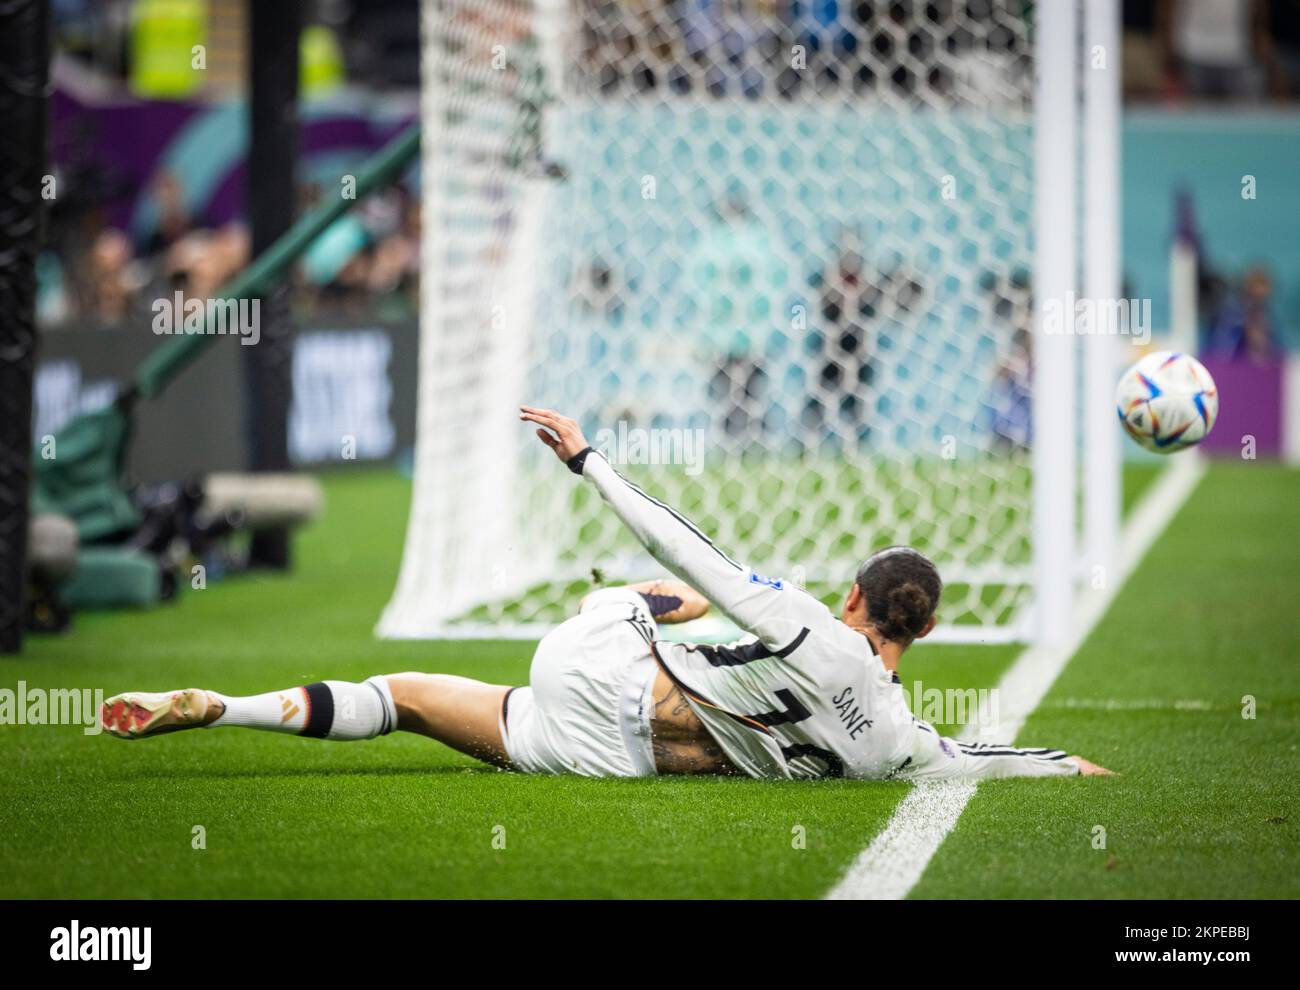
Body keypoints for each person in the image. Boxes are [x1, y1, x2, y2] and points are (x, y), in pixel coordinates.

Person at [100, 406, 1111, 781]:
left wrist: (591, 463)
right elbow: (974, 758)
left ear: (854, 597)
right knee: (411, 704)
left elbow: (695, 553)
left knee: (685, 598)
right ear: (923, 629)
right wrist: (1067, 764)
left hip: (597, 669)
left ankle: (223, 705)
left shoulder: (812, 625)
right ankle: (220, 707)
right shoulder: (893, 742)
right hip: (608, 758)